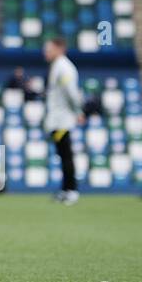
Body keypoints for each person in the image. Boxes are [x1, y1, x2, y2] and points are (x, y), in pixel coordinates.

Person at [43, 37, 84, 205]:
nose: (45, 53)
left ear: (59, 49)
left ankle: (71, 190)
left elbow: (71, 91)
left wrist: (78, 111)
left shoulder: (64, 67)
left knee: (66, 154)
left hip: (62, 120)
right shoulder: (57, 66)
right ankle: (66, 189)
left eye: (49, 49)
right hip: (57, 119)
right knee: (62, 154)